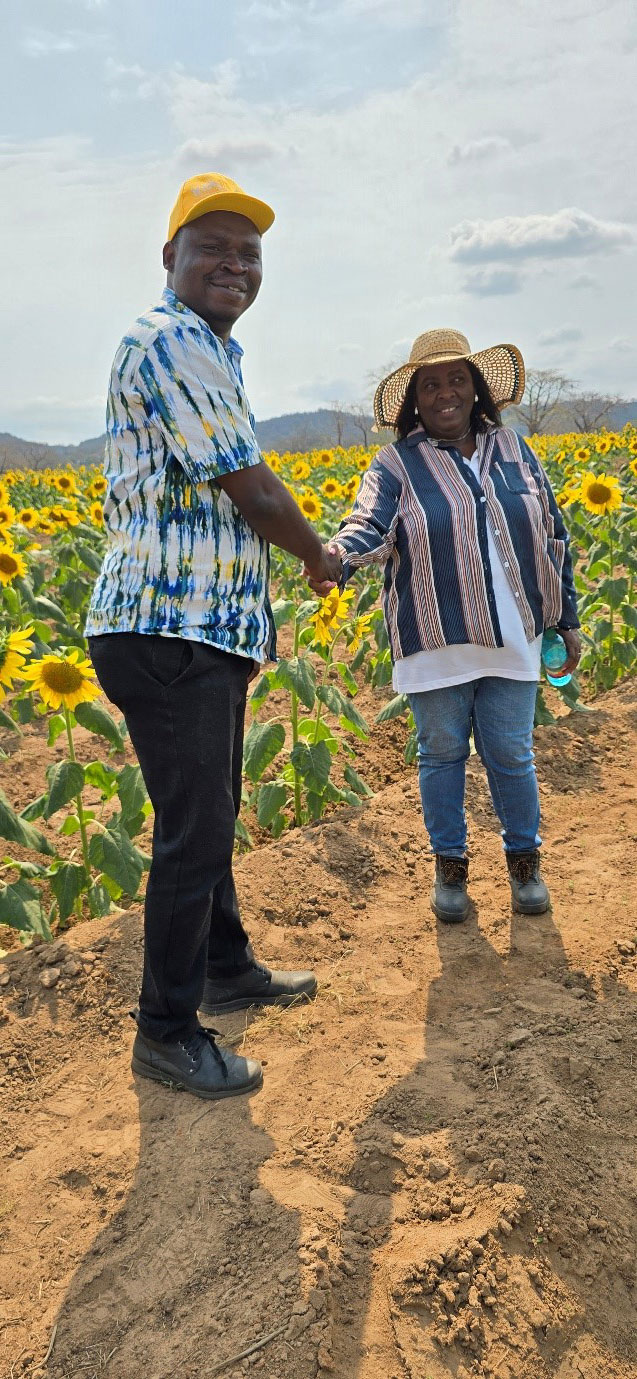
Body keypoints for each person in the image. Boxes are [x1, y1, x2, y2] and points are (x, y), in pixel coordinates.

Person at [86, 174, 341, 1100]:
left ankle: (225, 966)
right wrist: (317, 553)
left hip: (205, 628)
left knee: (213, 812)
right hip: (166, 625)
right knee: (194, 832)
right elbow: (252, 486)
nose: (235, 264)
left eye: (249, 252)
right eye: (213, 248)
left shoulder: (213, 350)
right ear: (170, 260)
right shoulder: (172, 340)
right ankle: (164, 1030)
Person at [309, 330, 581, 924]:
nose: (445, 393)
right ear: (414, 399)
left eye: (456, 379)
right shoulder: (396, 463)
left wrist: (568, 619)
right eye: (430, 384)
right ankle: (450, 869)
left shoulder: (513, 448)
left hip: (515, 634)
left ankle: (525, 864)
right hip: (435, 637)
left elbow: (554, 533)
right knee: (441, 753)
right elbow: (368, 524)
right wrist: (335, 557)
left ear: (476, 387)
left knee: (511, 751)